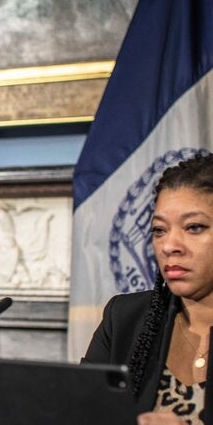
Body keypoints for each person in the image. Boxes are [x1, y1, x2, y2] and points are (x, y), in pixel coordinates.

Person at [83, 153, 213, 425]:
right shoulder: (124, 319)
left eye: (194, 227)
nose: (169, 245)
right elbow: (83, 414)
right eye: (159, 230)